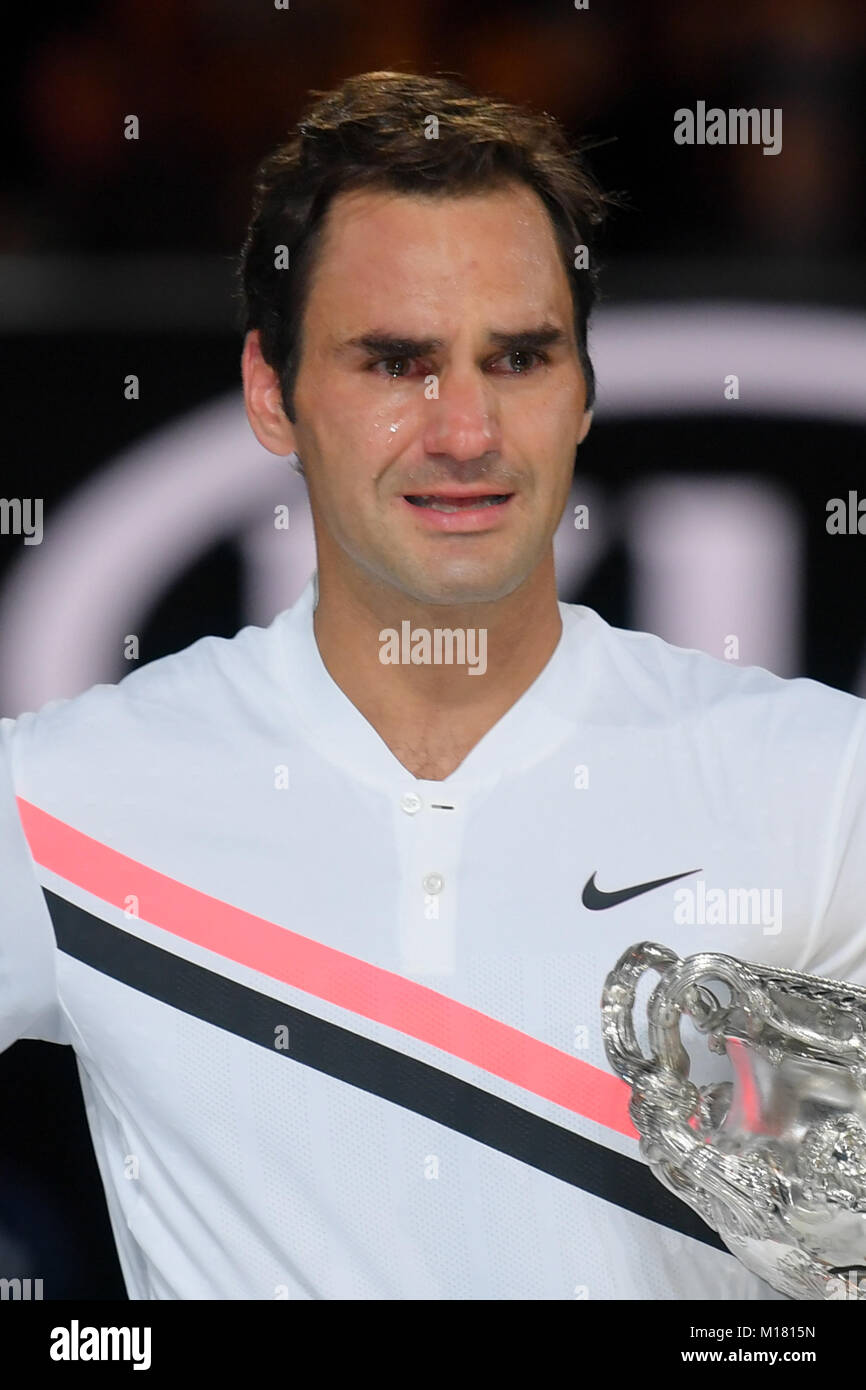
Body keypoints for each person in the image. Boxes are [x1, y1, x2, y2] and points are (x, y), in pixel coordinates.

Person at [2, 69, 864, 1301]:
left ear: (583, 390)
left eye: (516, 357)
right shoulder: (59, 798)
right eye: (395, 360)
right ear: (270, 391)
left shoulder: (823, 783)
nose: (463, 429)